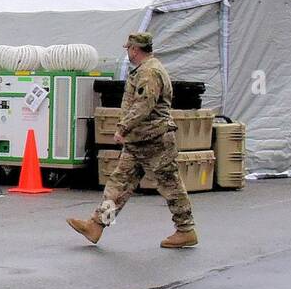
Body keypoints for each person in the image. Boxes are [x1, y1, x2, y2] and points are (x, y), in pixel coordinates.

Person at [68, 32, 198, 248]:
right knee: (119, 185)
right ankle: (97, 225)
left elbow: (143, 105)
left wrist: (123, 128)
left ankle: (186, 230)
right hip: (139, 142)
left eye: (129, 48)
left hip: (155, 140)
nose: (128, 52)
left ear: (135, 49)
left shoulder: (149, 73)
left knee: (171, 185)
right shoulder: (145, 70)